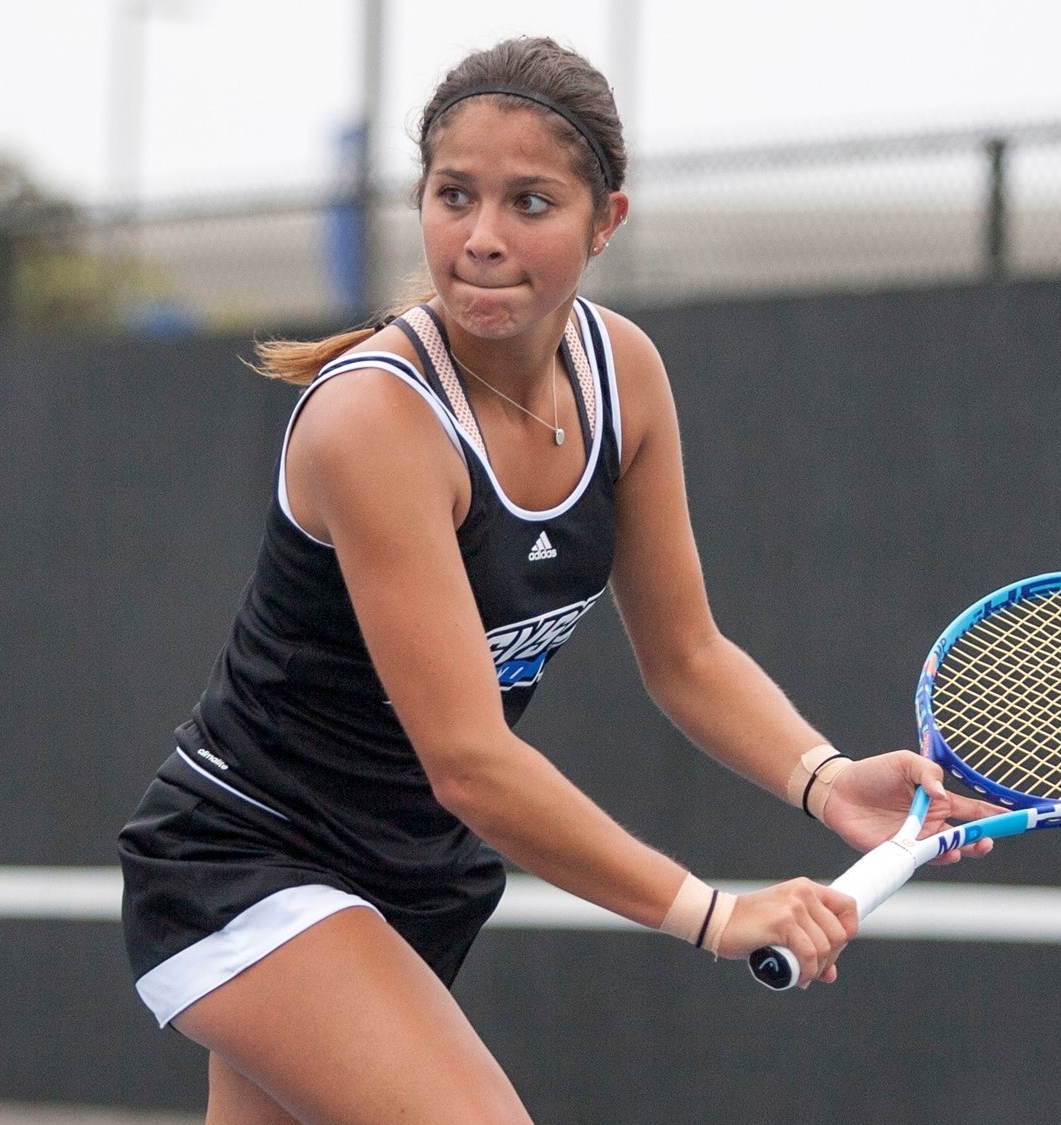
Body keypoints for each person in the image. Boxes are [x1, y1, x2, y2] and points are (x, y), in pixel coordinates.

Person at [117, 36, 1003, 1124]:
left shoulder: (622, 373)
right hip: (247, 861)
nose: (482, 236)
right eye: (454, 196)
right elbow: (471, 765)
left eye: (529, 202)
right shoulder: (375, 421)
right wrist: (713, 913)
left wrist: (825, 779)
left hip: (413, 879)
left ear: (605, 221)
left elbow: (687, 655)